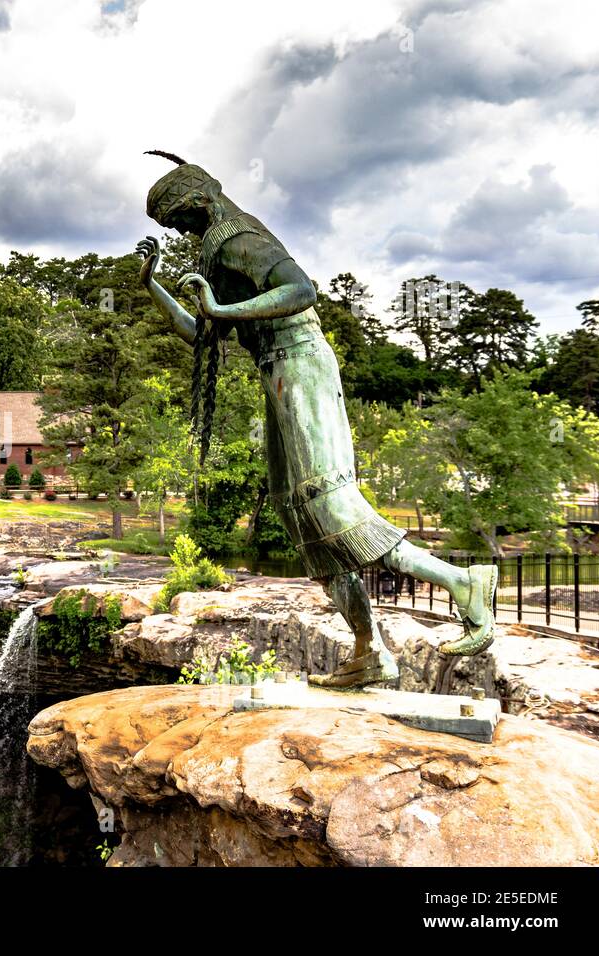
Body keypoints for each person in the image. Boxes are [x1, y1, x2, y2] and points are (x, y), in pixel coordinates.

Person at [138, 152, 496, 689]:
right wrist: (152, 286)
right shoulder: (216, 250)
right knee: (299, 512)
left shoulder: (238, 237)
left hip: (300, 364)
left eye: (181, 220)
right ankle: (368, 650)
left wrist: (224, 310)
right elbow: (205, 333)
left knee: (328, 500)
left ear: (198, 201)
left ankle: (461, 581)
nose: (182, 231)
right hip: (276, 372)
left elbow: (302, 290)